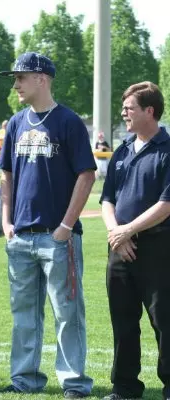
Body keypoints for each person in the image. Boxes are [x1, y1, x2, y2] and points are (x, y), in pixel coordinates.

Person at [0, 52, 95, 398]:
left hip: (58, 237)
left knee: (67, 313)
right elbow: (5, 175)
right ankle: (24, 380)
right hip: (21, 236)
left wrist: (67, 226)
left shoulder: (68, 122)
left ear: (42, 78)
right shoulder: (15, 123)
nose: (16, 84)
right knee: (24, 314)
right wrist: (7, 221)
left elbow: (87, 174)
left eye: (21, 77)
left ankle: (73, 382)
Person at [100, 82, 170, 400]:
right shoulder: (123, 149)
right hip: (120, 248)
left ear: (149, 111)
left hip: (158, 248)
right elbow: (107, 200)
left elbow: (166, 204)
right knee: (123, 320)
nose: (124, 113)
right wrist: (117, 234)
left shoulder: (167, 150)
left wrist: (128, 230)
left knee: (164, 320)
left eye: (129, 108)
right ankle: (125, 386)